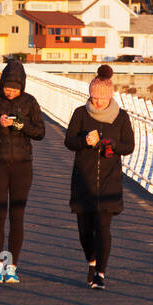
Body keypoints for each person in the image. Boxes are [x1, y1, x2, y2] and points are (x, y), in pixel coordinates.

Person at [0, 58, 45, 284]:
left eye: (15, 88)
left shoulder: (30, 102)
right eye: (7, 87)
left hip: (22, 165)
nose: (10, 92)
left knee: (17, 216)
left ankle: (12, 266)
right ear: (1, 84)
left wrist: (20, 125)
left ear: (22, 86)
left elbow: (40, 133)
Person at [64, 64, 134, 290]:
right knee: (85, 232)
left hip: (109, 181)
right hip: (83, 181)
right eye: (93, 98)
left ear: (110, 97)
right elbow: (69, 141)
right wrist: (85, 140)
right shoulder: (80, 114)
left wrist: (112, 144)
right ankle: (92, 262)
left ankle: (101, 274)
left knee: (103, 228)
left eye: (101, 99)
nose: (97, 102)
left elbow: (129, 146)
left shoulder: (121, 117)